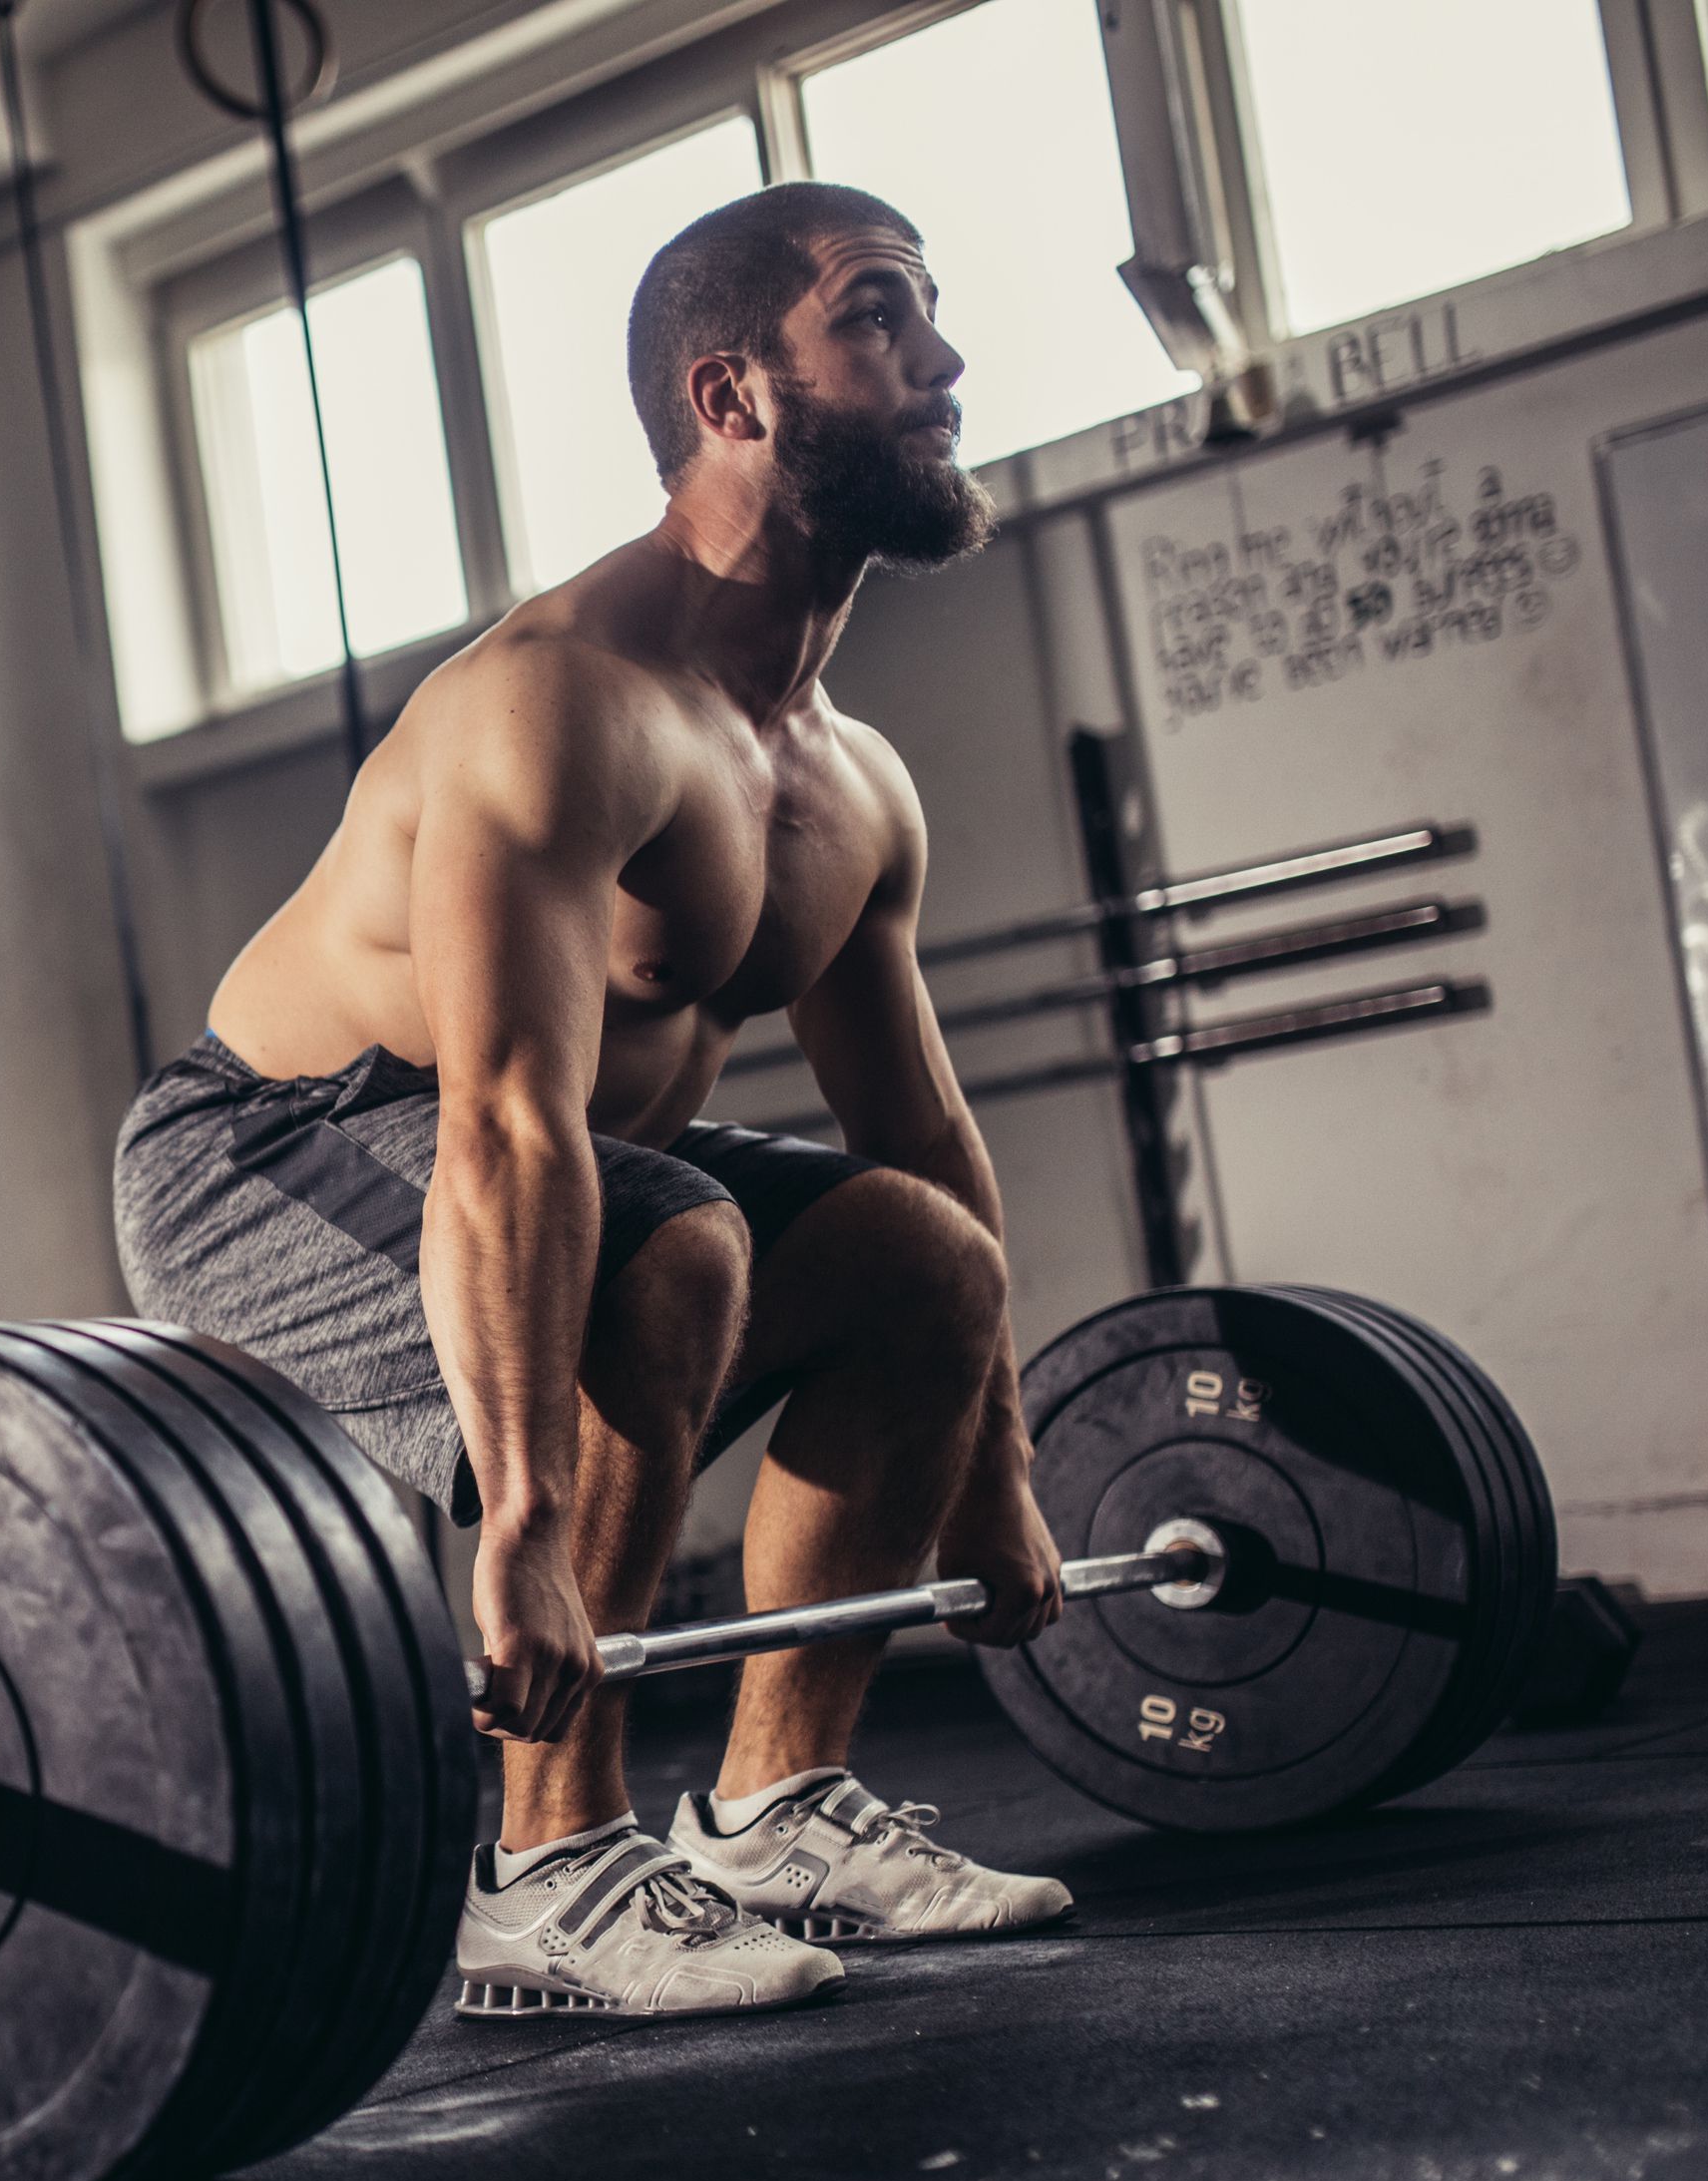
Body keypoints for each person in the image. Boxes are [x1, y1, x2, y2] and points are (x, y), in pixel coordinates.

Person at [115, 182, 1075, 2022]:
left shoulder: (851, 782)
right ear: (733, 399)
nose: (941, 363)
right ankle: (544, 1861)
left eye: (930, 315)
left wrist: (1002, 1477)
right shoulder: (557, 702)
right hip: (267, 1150)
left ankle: (777, 1806)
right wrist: (527, 1532)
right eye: (878, 317)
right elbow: (505, 1126)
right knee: (679, 1244)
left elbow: (923, 1135)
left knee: (924, 1254)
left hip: (570, 1176)